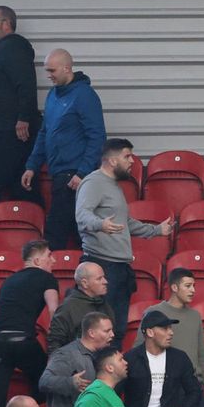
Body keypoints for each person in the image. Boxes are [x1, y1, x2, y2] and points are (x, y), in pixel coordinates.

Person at [78, 137, 174, 333]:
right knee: (101, 329)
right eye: (127, 156)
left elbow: (125, 223)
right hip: (102, 265)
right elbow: (82, 215)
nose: (132, 161)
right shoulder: (93, 182)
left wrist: (156, 230)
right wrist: (100, 224)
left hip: (120, 267)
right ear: (112, 160)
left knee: (117, 329)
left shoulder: (113, 186)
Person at [25, 50, 109, 251]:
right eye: (47, 71)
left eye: (52, 70)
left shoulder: (84, 96)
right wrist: (32, 165)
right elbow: (45, 133)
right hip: (59, 174)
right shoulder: (53, 95)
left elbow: (97, 136)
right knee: (68, 230)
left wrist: (82, 172)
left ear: (67, 68)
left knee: (58, 232)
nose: (49, 75)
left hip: (75, 176)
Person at [0, 5, 40, 210]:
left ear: (6, 23)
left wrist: (23, 118)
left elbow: (26, 83)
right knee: (20, 184)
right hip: (7, 130)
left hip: (10, 131)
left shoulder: (13, 47)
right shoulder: (6, 49)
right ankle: (35, 229)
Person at [0, 241, 59, 407]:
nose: (53, 260)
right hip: (23, 341)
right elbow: (54, 310)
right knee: (47, 383)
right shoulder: (47, 278)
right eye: (49, 255)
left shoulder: (9, 280)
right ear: (37, 261)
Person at [44, 312, 115, 407]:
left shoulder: (102, 356)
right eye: (107, 331)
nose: (112, 334)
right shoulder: (66, 355)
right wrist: (70, 382)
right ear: (91, 333)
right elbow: (45, 381)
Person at [161, 269, 204, 407]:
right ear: (174, 288)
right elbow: (140, 350)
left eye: (194, 285)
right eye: (188, 286)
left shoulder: (195, 316)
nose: (193, 290)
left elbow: (201, 354)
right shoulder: (155, 313)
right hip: (165, 386)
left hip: (194, 386)